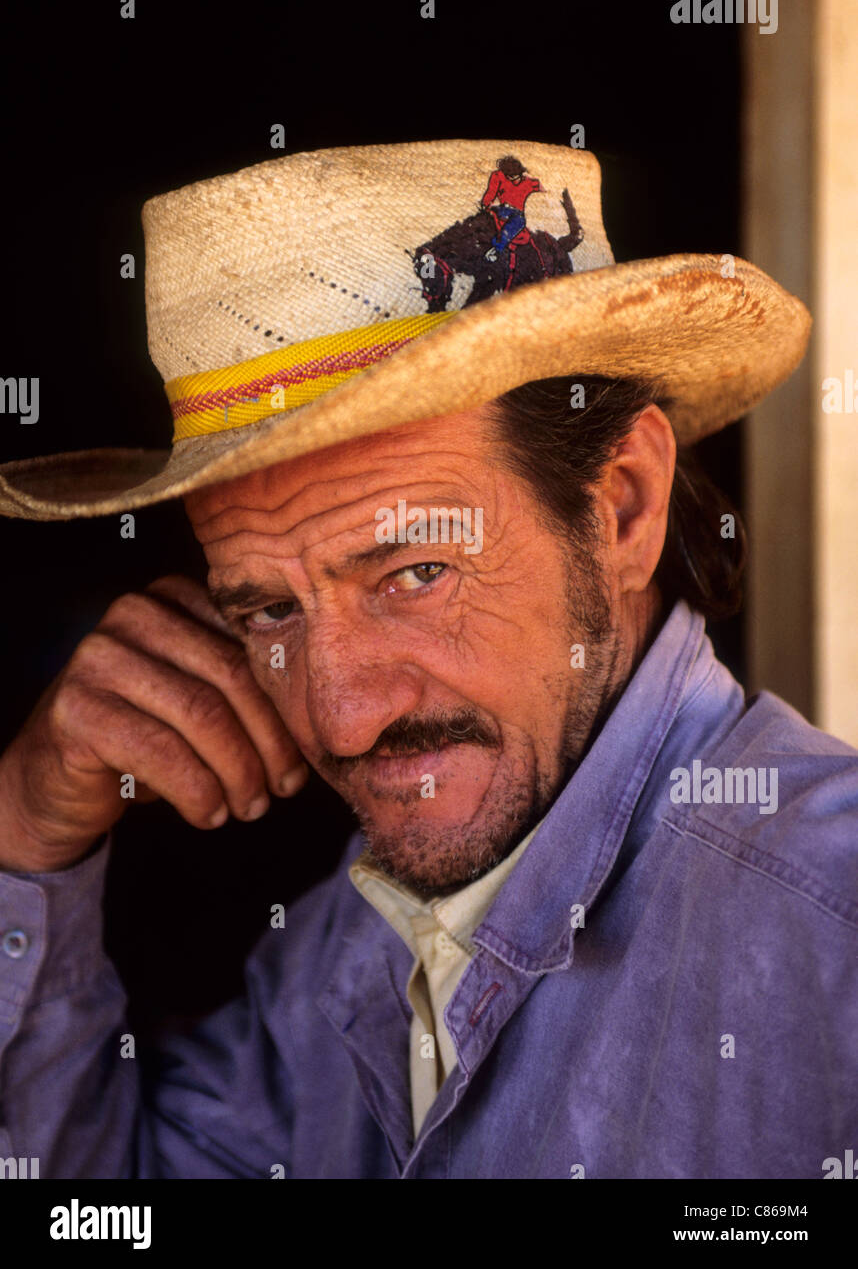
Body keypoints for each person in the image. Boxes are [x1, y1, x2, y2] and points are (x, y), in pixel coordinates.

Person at [0, 139, 854, 1179]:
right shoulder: (342, 951)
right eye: (269, 609)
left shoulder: (832, 941)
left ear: (622, 504)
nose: (343, 718)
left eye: (414, 573)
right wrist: (27, 837)